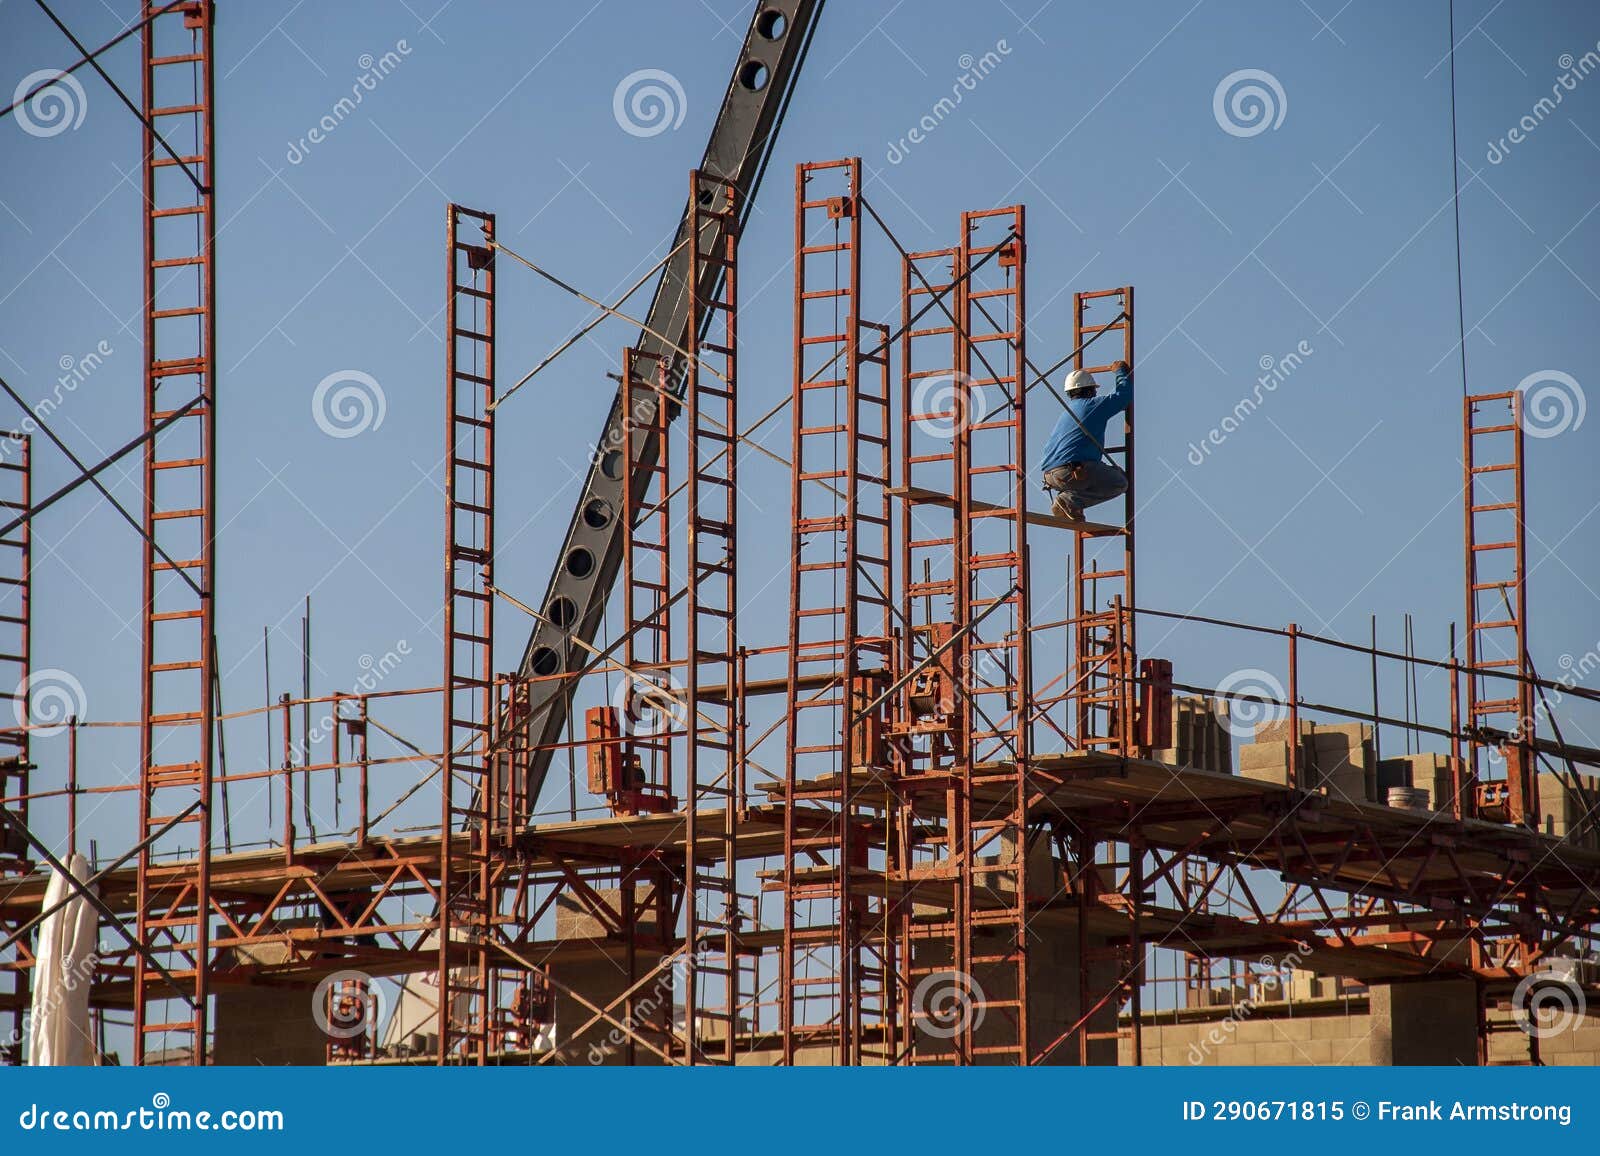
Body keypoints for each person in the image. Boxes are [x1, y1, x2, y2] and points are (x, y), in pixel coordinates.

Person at [1039, 359, 1131, 522]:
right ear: (1090, 391)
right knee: (1119, 482)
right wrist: (1120, 372)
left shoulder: (1068, 412)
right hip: (1071, 471)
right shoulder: (1094, 405)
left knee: (1106, 474)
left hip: (1050, 475)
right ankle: (1069, 501)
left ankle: (1070, 502)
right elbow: (1124, 397)